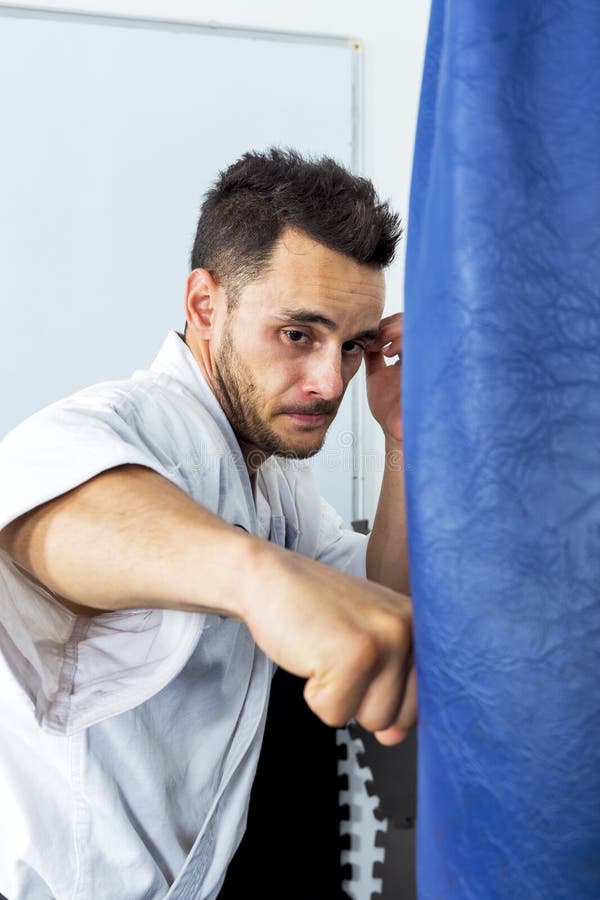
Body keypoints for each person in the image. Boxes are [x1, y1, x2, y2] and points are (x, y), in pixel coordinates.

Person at [0, 147, 415, 900]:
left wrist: (402, 436)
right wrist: (259, 578)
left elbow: (386, 600)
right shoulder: (128, 423)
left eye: (351, 346)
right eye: (298, 334)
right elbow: (44, 499)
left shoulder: (276, 477)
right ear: (204, 305)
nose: (329, 382)